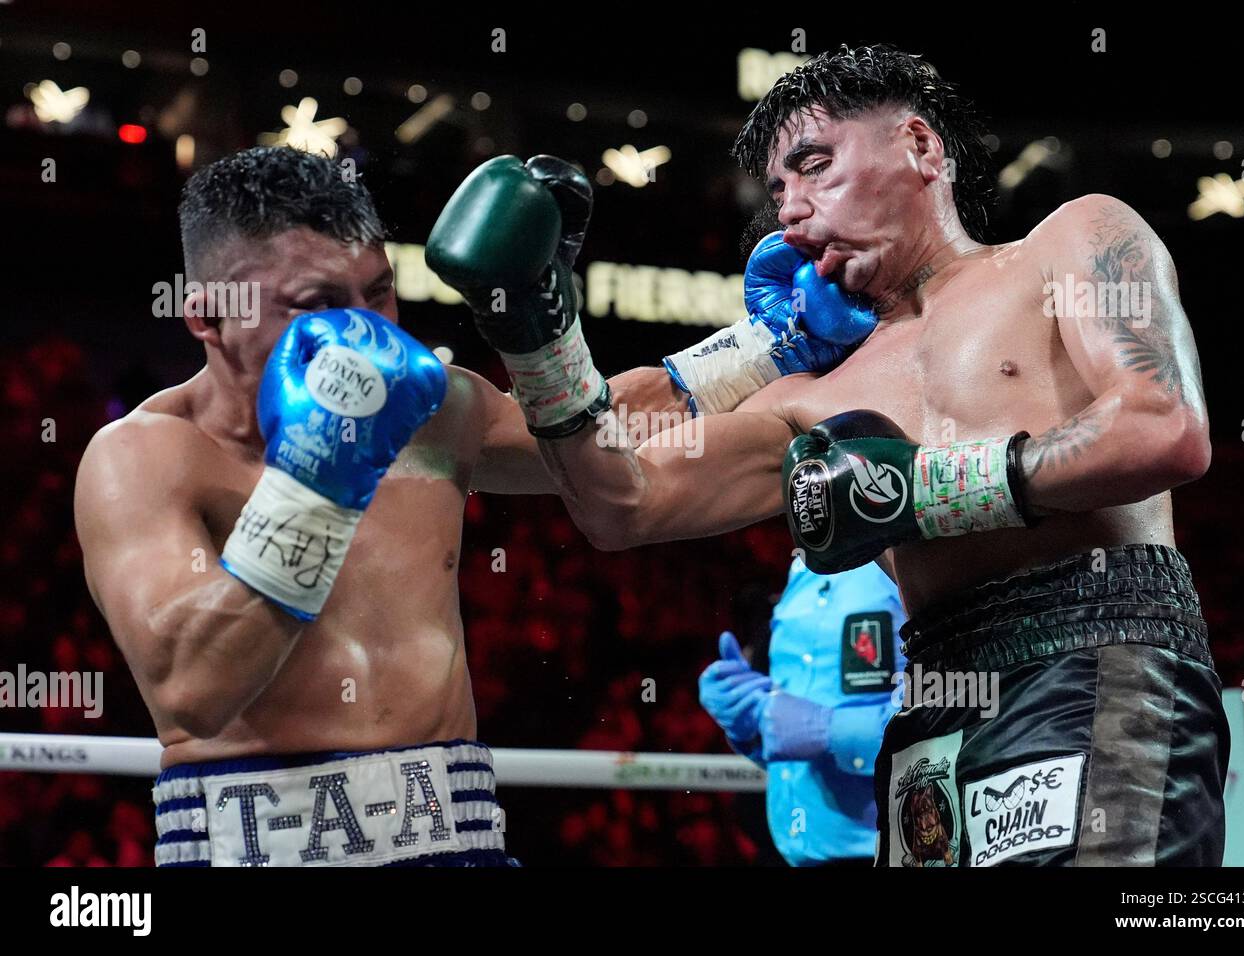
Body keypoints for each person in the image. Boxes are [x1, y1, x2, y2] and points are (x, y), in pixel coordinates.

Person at [427, 43, 1229, 866]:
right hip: (931, 711)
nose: (791, 209)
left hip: (1095, 659)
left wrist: (926, 492)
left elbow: (1162, 427)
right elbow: (618, 502)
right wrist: (541, 335)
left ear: (920, 147)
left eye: (814, 166)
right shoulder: (811, 395)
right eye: (778, 190)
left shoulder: (1071, 240)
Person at [74, 146, 868, 866]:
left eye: (379, 293)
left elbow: (594, 441)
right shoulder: (145, 457)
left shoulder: (432, 408)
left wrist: (766, 344)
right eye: (317, 303)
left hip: (455, 839)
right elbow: (194, 691)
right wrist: (321, 476)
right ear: (208, 315)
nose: (362, 331)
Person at [699, 559, 903, 865]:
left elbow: (972, 702)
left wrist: (830, 730)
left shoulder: (913, 562)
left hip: (895, 850)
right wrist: (752, 720)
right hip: (792, 853)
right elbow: (794, 725)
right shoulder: (803, 572)